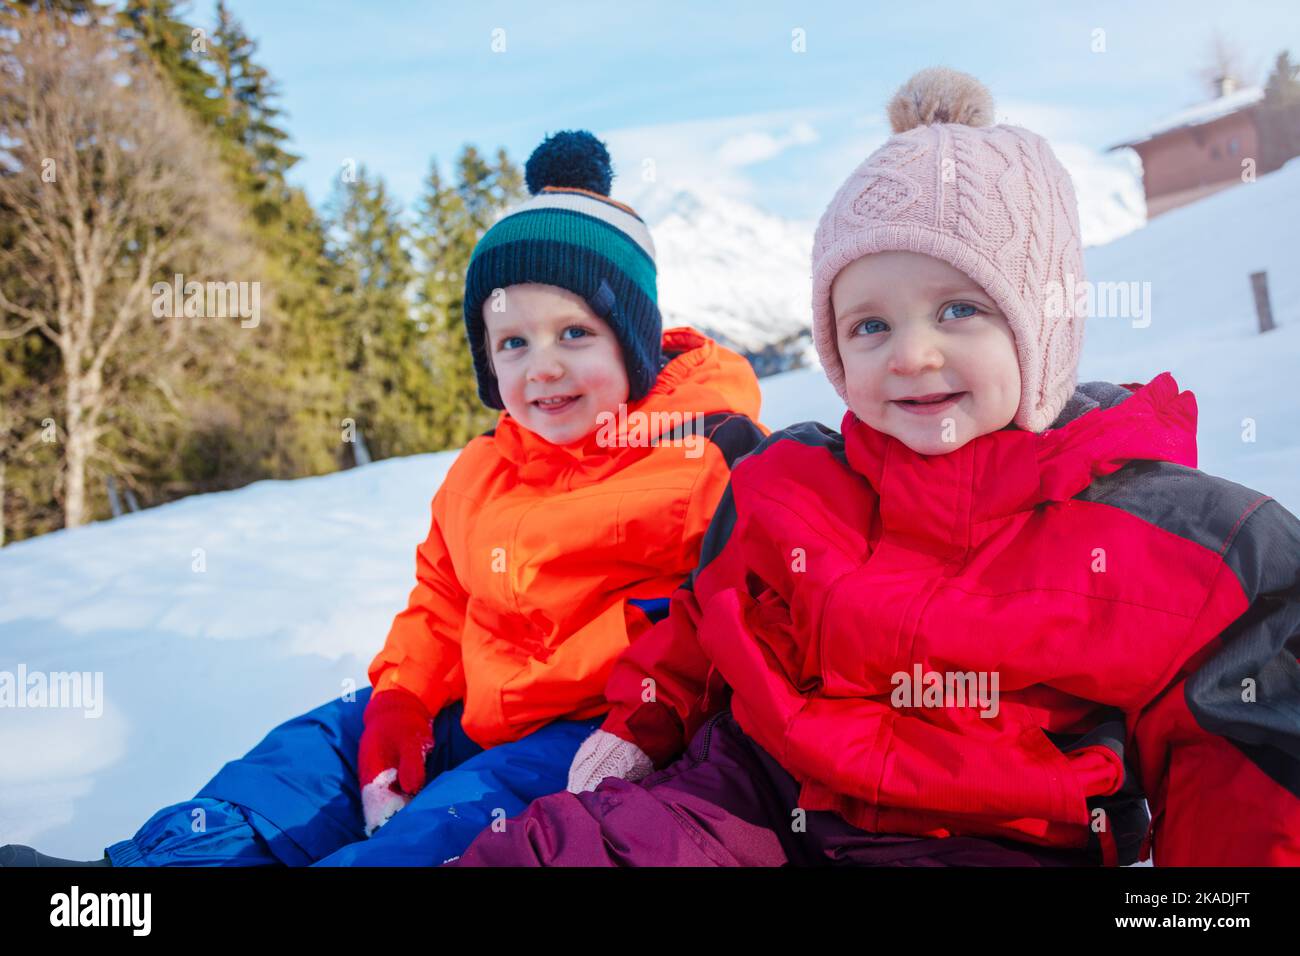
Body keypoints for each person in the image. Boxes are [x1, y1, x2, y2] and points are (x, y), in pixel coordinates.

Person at [451, 70, 1300, 867]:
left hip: (992, 839)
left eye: (960, 309)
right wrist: (646, 716)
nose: (912, 355)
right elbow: (714, 619)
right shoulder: (792, 480)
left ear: (1043, 329)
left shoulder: (1175, 539)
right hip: (753, 799)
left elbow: (1241, 764)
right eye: (869, 326)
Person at [0, 130, 766, 867]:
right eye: (513, 343)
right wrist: (402, 696)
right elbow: (441, 601)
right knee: (316, 748)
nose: (543, 369)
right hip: (475, 706)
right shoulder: (484, 470)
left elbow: (723, 610)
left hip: (594, 728)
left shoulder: (700, 455)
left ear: (632, 341)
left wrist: (650, 711)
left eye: (575, 334)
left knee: (459, 814)